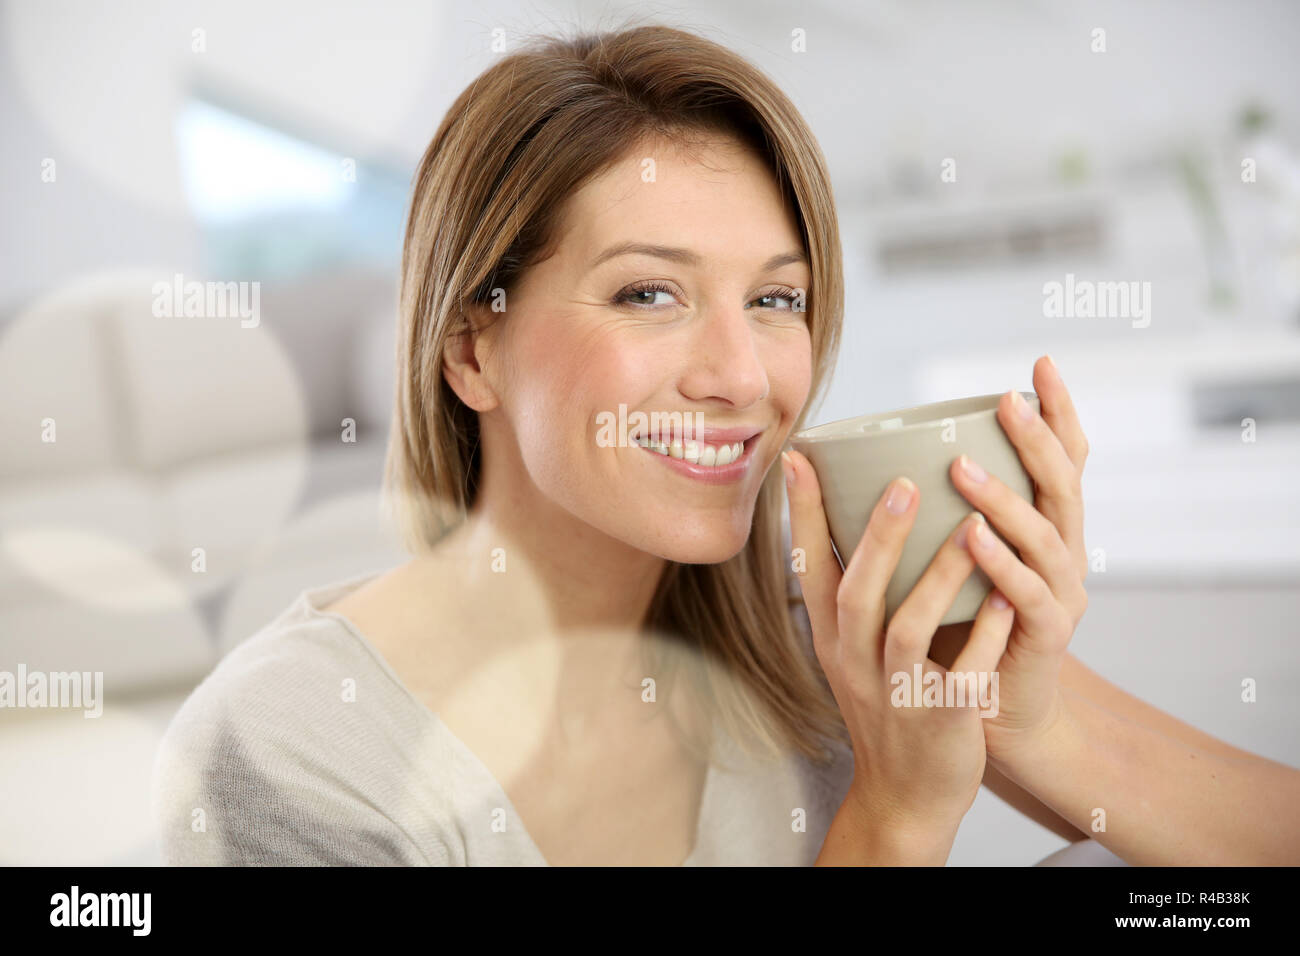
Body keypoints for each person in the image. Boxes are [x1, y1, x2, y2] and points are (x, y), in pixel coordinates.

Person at [151, 22, 1300, 867]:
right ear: (471, 352)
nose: (743, 377)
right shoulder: (286, 758)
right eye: (649, 294)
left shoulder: (830, 624)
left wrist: (1029, 717)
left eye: (776, 300)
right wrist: (893, 823)